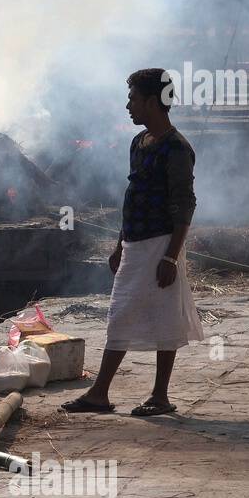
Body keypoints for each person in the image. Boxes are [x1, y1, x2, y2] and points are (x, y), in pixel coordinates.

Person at [62, 68, 202, 417]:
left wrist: (170, 257)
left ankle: (156, 396)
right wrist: (119, 244)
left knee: (162, 316)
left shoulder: (177, 148)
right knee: (122, 314)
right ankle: (102, 393)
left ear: (152, 102)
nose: (128, 106)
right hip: (135, 244)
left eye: (133, 99)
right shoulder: (139, 142)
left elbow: (184, 206)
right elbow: (134, 197)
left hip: (161, 243)